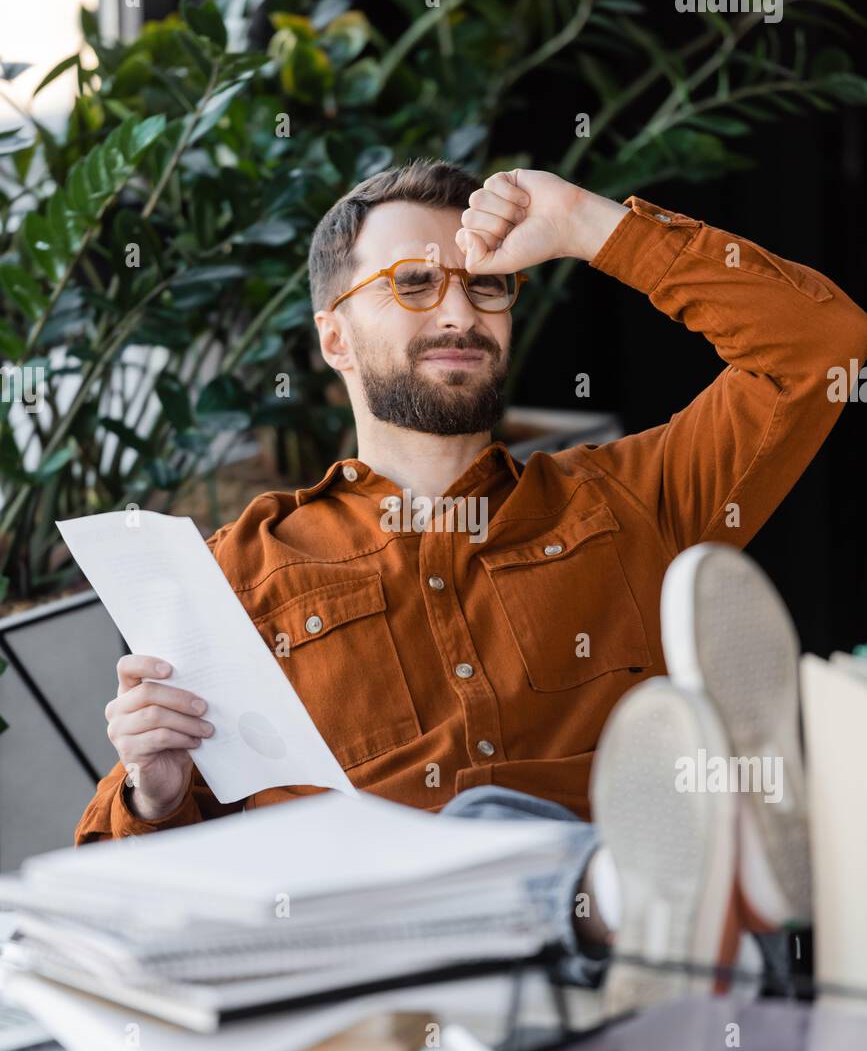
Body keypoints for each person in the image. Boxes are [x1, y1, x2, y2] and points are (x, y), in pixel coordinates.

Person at [77, 161, 867, 990]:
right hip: (366, 969)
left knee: (519, 830)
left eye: (487, 287)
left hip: (607, 977)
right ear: (334, 337)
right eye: (413, 283)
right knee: (477, 828)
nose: (459, 311)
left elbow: (821, 349)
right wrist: (155, 795)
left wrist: (586, 224)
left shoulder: (632, 500)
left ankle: (637, 894)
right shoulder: (237, 570)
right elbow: (118, 893)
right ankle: (647, 885)